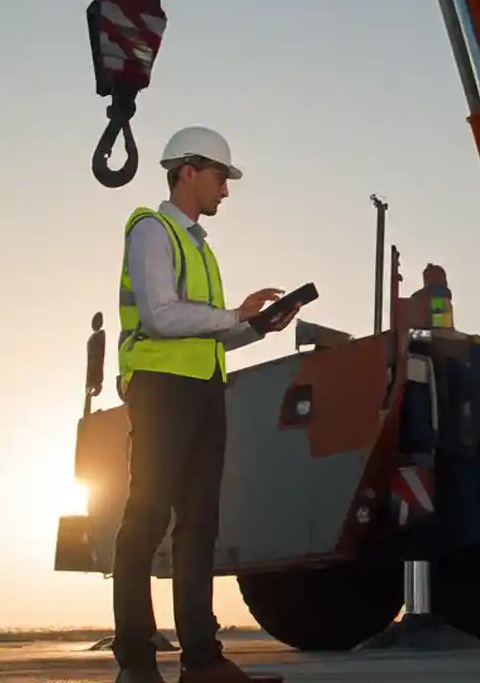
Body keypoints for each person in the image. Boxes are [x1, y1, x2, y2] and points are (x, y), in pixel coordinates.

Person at [112, 125, 299, 683]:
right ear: (188, 172)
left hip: (202, 391)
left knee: (199, 525)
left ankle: (202, 661)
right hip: (161, 390)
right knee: (146, 519)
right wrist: (237, 315)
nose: (225, 189)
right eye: (221, 176)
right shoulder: (152, 229)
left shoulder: (199, 247)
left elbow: (206, 334)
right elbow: (161, 318)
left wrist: (257, 328)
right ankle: (137, 664)